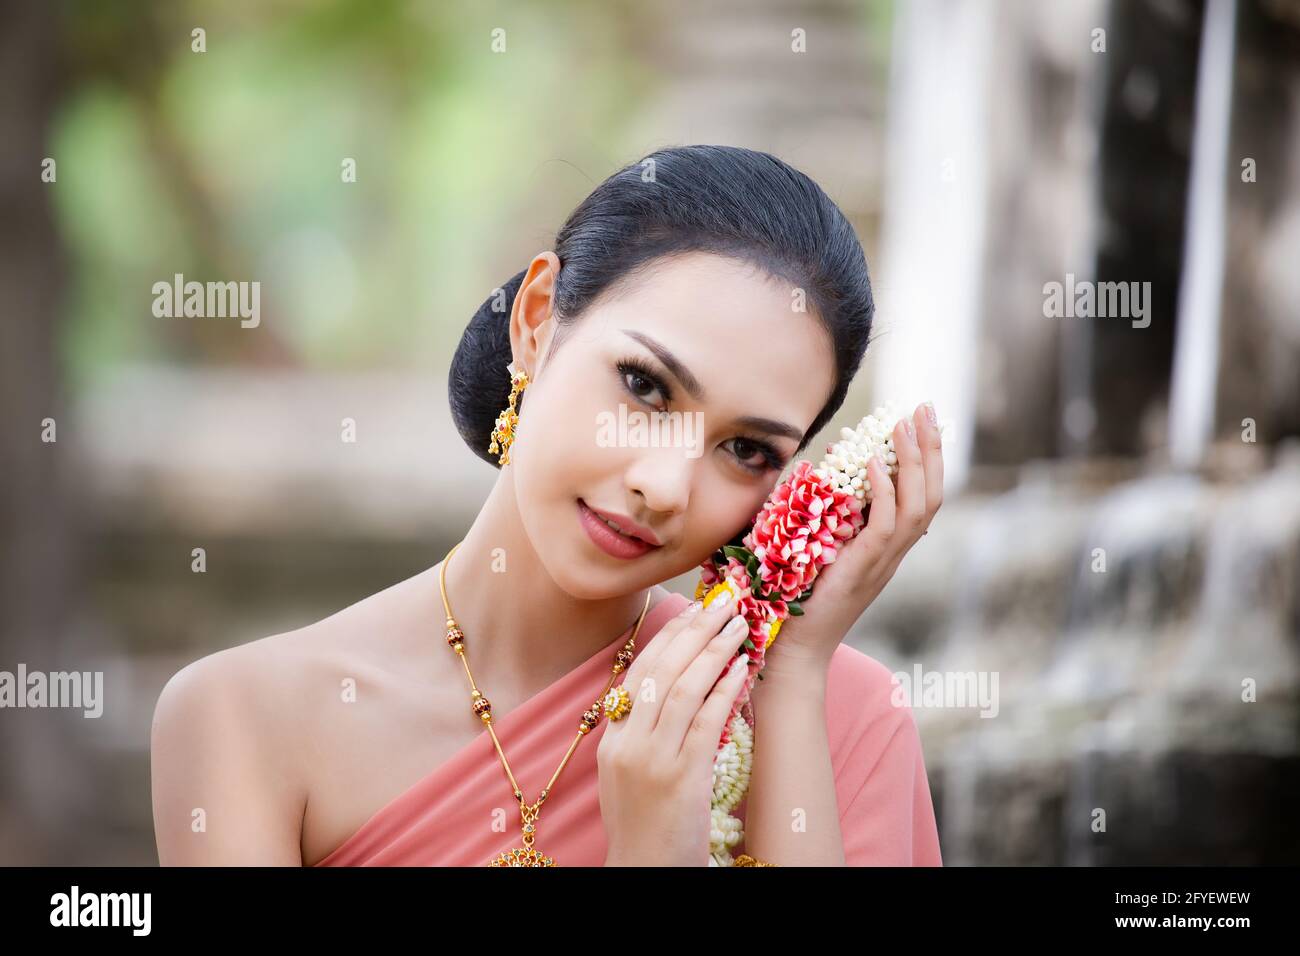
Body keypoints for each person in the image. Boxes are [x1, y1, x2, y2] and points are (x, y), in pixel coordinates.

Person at [150, 144, 944, 866]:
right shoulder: (244, 721)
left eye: (747, 451)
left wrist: (789, 679)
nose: (664, 488)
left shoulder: (838, 720)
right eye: (644, 387)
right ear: (536, 322)